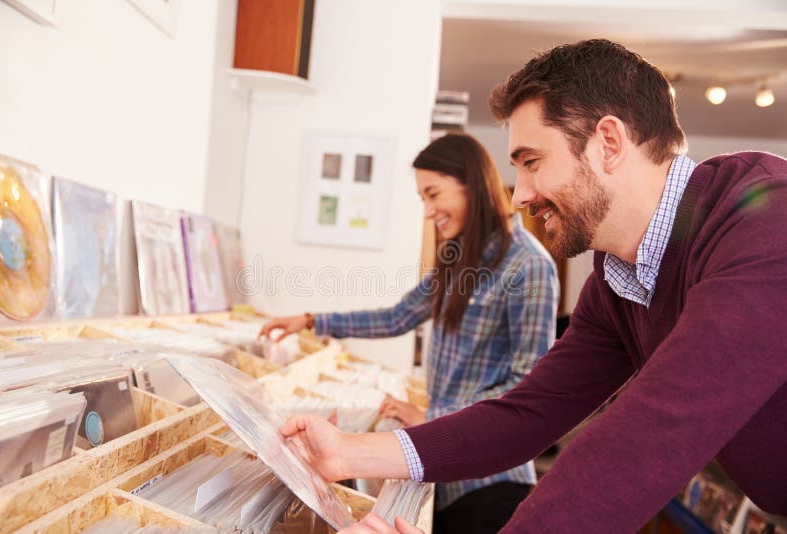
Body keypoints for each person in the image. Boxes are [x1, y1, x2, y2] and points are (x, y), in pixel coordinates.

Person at [279, 39, 787, 533]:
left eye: (532, 162)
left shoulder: (766, 224)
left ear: (608, 142)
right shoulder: (619, 280)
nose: (519, 194)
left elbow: (647, 440)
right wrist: (346, 451)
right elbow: (527, 414)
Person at [260, 132, 559, 533]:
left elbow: (529, 385)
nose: (428, 211)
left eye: (433, 194)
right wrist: (313, 321)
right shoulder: (459, 258)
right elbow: (398, 317)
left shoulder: (529, 265)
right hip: (448, 470)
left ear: (471, 183)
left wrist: (433, 417)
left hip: (491, 485)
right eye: (423, 199)